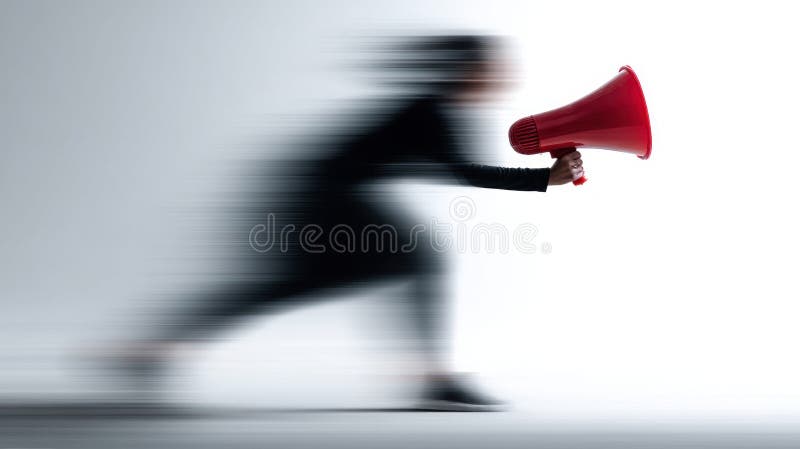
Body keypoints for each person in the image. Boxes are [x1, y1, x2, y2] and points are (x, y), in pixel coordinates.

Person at [112, 35, 585, 411]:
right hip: (326, 192)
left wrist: (546, 172)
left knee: (297, 285)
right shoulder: (432, 112)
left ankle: (152, 350)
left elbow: (452, 166)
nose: (502, 75)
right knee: (419, 258)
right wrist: (545, 177)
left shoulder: (434, 110)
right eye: (494, 66)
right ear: (470, 70)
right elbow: (462, 172)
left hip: (320, 189)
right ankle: (433, 380)